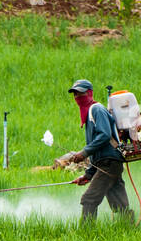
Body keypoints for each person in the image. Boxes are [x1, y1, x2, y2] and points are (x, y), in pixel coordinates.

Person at [56, 79, 134, 222]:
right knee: (119, 204)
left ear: (90, 93)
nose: (77, 98)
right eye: (75, 95)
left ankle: (87, 232)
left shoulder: (96, 109)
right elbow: (98, 154)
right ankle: (129, 228)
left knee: (89, 200)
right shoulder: (90, 114)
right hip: (110, 163)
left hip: (109, 163)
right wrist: (88, 175)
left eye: (80, 94)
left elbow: (104, 135)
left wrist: (84, 152)